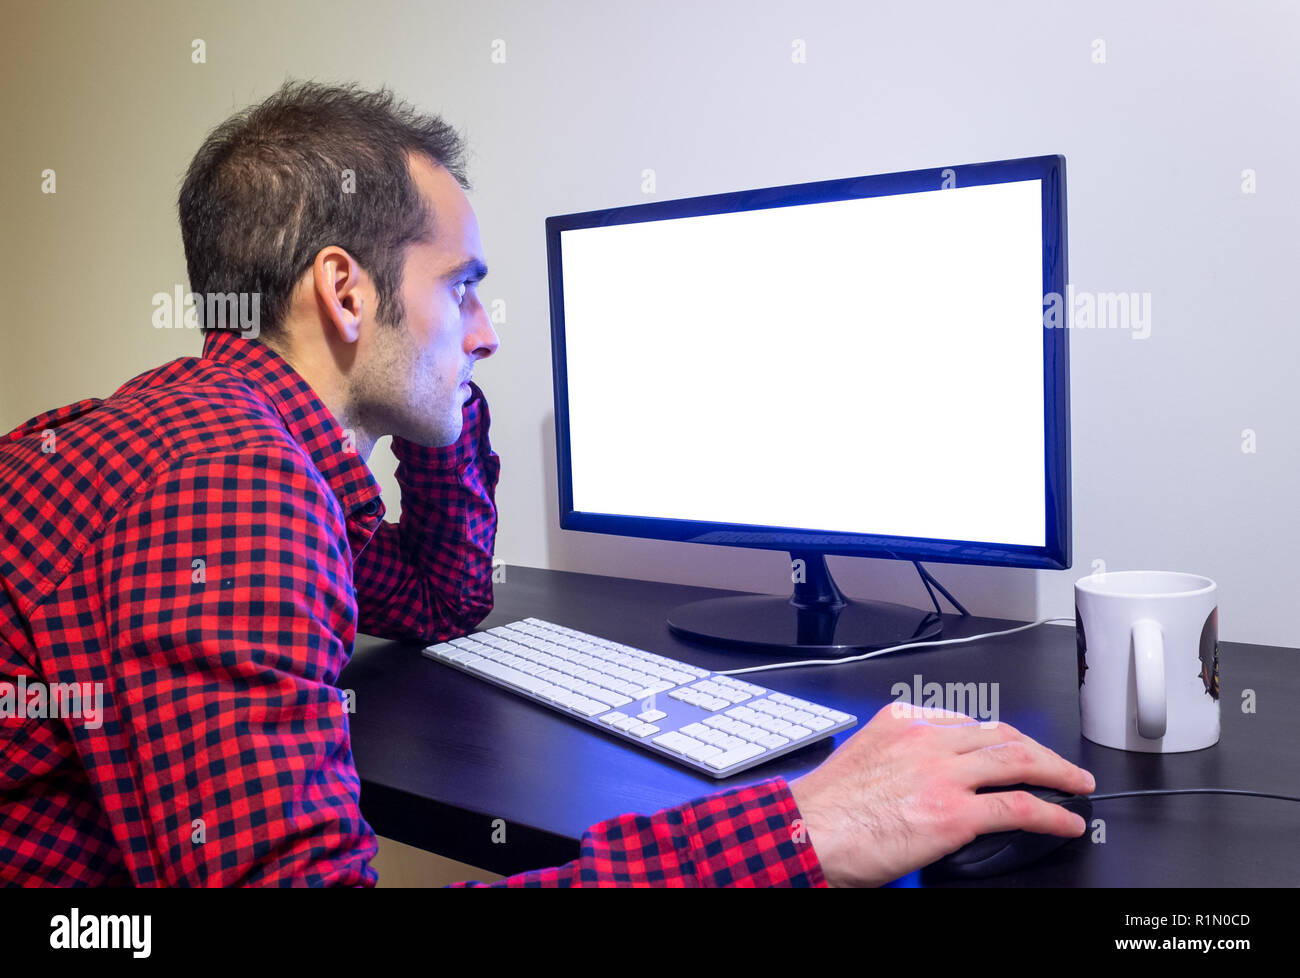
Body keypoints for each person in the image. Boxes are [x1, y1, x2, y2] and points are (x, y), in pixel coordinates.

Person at [0, 80, 1094, 887]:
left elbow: (434, 602)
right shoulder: (232, 486)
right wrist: (803, 829)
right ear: (343, 291)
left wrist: (423, 386)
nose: (484, 332)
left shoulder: (203, 434)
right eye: (461, 286)